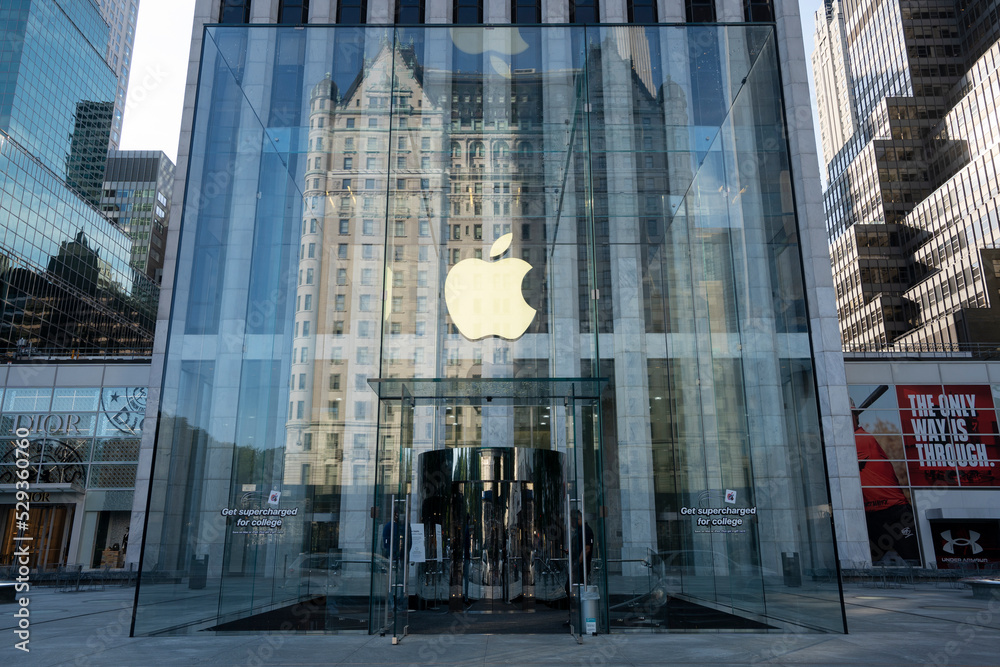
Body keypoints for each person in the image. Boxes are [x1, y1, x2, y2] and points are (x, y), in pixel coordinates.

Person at [853, 401, 920, 563]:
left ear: (854, 417)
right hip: (872, 516)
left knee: (916, 560)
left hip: (895, 513)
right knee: (862, 563)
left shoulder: (861, 439)